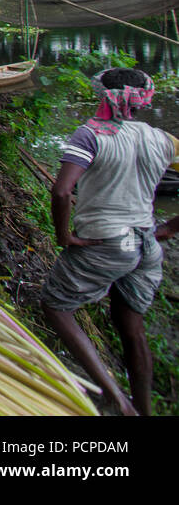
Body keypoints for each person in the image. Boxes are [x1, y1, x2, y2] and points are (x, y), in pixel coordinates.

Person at [41, 67, 179, 415]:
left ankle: (115, 398)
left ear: (103, 95)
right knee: (132, 329)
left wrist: (64, 235)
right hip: (145, 244)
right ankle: (144, 409)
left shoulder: (90, 134)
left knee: (56, 306)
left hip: (106, 243)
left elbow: (61, 191)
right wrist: (169, 228)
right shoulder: (162, 139)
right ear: (143, 100)